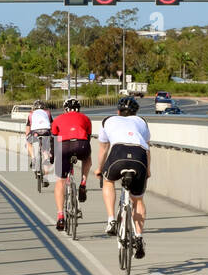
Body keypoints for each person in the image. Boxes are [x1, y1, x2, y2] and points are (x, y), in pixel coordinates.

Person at [94, 95, 151, 258]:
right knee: (138, 200)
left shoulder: (108, 120)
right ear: (136, 113)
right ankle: (139, 237)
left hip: (118, 153)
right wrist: (148, 170)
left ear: (117, 111)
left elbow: (104, 149)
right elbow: (147, 148)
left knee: (108, 181)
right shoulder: (142, 121)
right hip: (139, 156)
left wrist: (99, 168)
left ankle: (111, 219)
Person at [50, 97, 92, 231]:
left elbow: (53, 141)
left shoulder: (57, 119)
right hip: (81, 145)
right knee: (87, 159)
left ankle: (60, 216)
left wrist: (52, 157)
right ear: (79, 109)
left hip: (64, 147)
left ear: (64, 109)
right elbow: (88, 137)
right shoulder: (85, 118)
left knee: (60, 182)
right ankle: (83, 183)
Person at [24, 100, 53, 182]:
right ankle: (46, 162)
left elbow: (27, 128)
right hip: (46, 131)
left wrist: (27, 137)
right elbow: (52, 125)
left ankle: (33, 158)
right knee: (45, 149)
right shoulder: (48, 112)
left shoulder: (31, 114)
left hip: (35, 132)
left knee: (29, 142)